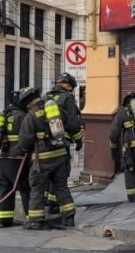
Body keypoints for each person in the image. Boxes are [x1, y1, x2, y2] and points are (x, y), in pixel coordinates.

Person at [18, 89, 80, 229]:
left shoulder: (31, 116)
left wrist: (25, 150)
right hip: (61, 156)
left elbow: (25, 141)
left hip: (42, 160)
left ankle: (36, 220)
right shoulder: (56, 109)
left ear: (28, 103)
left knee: (37, 188)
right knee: (61, 186)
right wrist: (78, 140)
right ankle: (69, 217)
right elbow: (71, 124)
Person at [0, 87, 36, 228]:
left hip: (2, 158)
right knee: (25, 187)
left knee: (5, 187)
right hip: (18, 158)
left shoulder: (4, 114)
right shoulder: (23, 116)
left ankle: (3, 219)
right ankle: (32, 218)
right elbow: (27, 138)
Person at [44, 73, 84, 214]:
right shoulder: (67, 98)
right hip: (62, 142)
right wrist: (78, 140)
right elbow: (73, 123)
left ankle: (47, 201)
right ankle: (55, 204)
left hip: (45, 143)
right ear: (69, 86)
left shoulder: (46, 97)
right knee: (60, 174)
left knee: (48, 173)